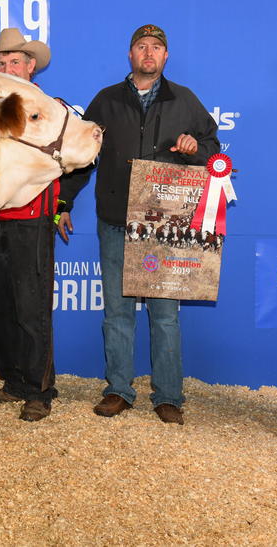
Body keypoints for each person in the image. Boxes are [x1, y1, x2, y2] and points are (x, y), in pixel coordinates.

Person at [57, 24, 219, 425]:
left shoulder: (185, 100)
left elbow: (212, 147)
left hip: (164, 227)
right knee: (117, 313)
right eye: (142, 46)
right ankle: (118, 390)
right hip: (116, 220)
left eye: (156, 47)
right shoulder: (106, 100)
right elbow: (83, 155)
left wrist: (195, 149)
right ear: (130, 55)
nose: (149, 53)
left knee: (165, 316)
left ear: (166, 56)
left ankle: (169, 395)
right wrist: (63, 202)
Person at [0, 28, 59, 422]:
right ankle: (13, 381)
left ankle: (40, 390)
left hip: (32, 218)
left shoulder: (50, 110)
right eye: (1, 63)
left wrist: (62, 204)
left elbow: (77, 156)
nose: (7, 69)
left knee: (31, 308)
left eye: (14, 62)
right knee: (0, 306)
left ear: (30, 67)